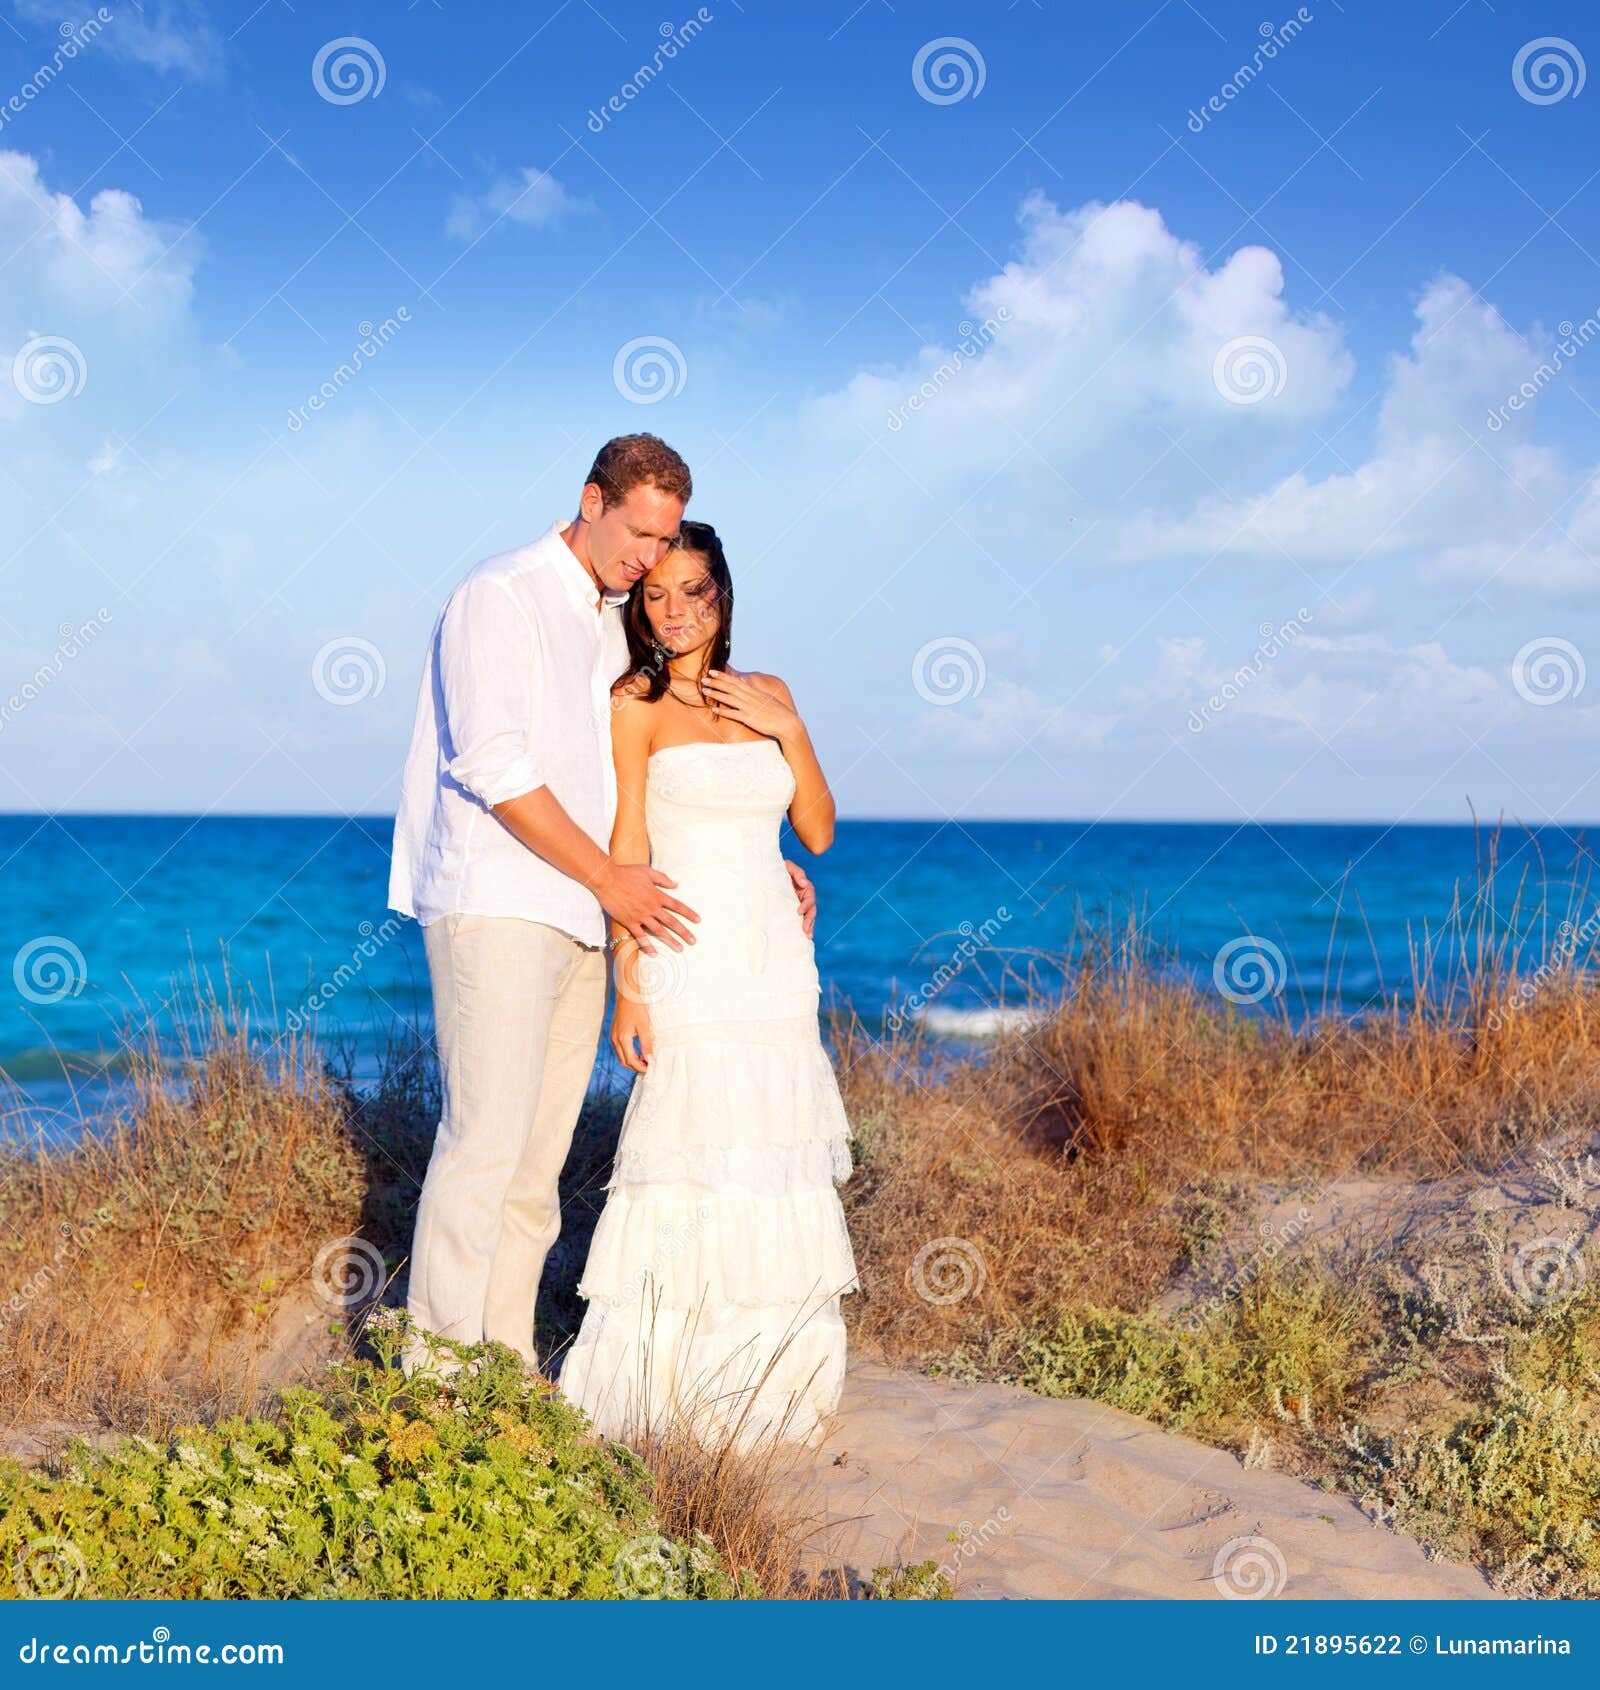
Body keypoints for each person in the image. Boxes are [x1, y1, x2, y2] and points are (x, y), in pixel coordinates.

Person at [387, 436, 817, 1375]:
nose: (648, 558)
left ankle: (502, 1371)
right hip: (498, 898)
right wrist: (611, 879)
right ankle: (434, 1383)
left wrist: (752, 861)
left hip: (583, 912)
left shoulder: (617, 620)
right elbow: (492, 763)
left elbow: (652, 784)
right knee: (482, 1147)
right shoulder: (500, 595)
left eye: (665, 540)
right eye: (639, 533)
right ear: (592, 501)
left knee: (535, 1167)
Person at [559, 521, 857, 1446]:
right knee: (688, 1154)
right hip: (686, 954)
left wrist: (789, 729)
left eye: (692, 591)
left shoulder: (772, 695)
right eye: (655, 594)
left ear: (722, 593)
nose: (674, 611)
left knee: (769, 1149)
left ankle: (769, 1381)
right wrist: (630, 980)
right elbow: (628, 844)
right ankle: (666, 1382)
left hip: (773, 956)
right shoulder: (634, 702)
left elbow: (817, 834)